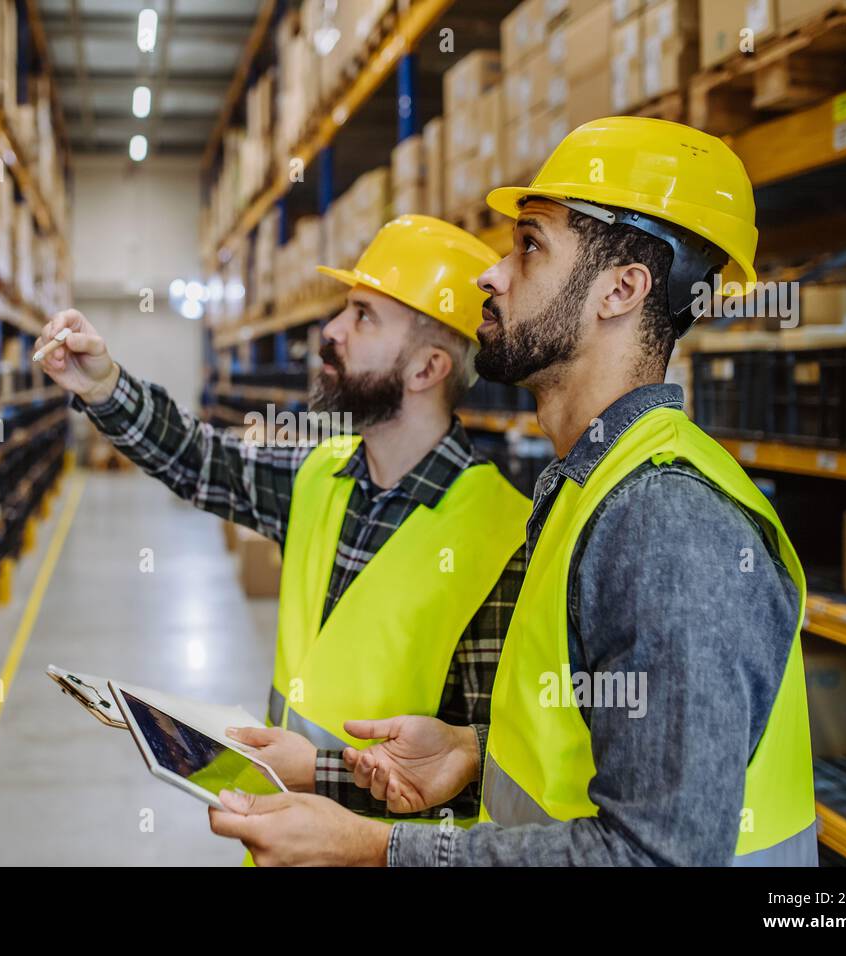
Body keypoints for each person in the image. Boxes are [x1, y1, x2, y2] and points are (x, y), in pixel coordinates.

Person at [207, 117, 817, 867]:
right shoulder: (585, 488)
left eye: (530, 245)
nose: (491, 276)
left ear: (620, 290)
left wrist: (375, 848)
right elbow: (605, 740)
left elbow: (653, 856)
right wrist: (470, 749)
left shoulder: (665, 520)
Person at [37, 215, 531, 832]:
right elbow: (199, 458)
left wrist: (316, 771)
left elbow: (492, 776)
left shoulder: (503, 538)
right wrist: (105, 386)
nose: (331, 331)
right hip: (284, 837)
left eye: (363, 316)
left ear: (426, 369)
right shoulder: (318, 476)